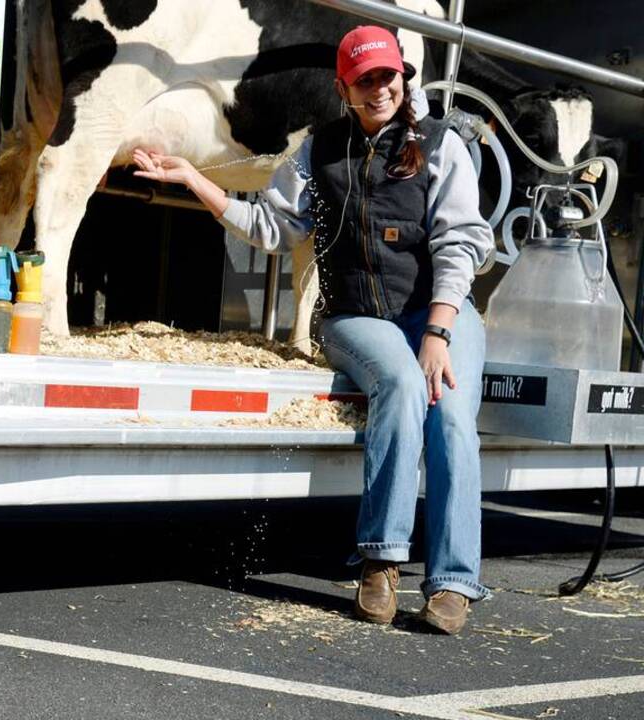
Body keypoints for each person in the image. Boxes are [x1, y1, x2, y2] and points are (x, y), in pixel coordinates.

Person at [132, 25, 492, 635]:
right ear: (343, 87)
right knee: (403, 386)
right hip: (358, 316)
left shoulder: (441, 144)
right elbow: (275, 229)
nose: (380, 88)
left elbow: (462, 243)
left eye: (388, 76)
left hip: (441, 312)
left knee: (452, 417)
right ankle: (381, 561)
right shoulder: (319, 152)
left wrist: (439, 329)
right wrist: (195, 180)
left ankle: (454, 580)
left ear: (403, 77)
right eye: (365, 79)